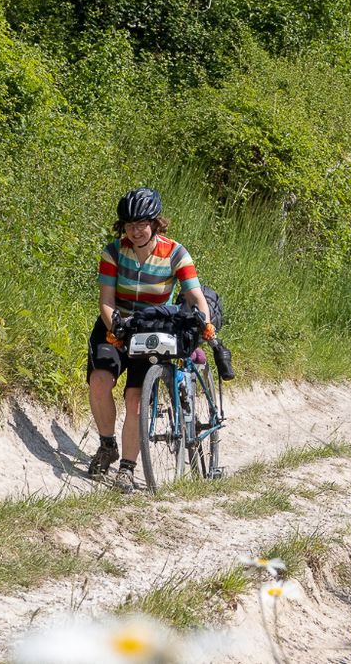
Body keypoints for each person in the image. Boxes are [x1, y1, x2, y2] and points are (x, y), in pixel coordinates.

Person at [86, 187, 215, 492]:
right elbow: (106, 300)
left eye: (142, 224)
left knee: (135, 400)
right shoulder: (114, 252)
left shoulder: (175, 253)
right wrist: (115, 325)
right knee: (100, 382)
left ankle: (127, 469)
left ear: (155, 223)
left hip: (153, 329)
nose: (136, 231)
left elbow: (195, 295)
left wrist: (204, 325)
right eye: (130, 226)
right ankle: (107, 445)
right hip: (117, 324)